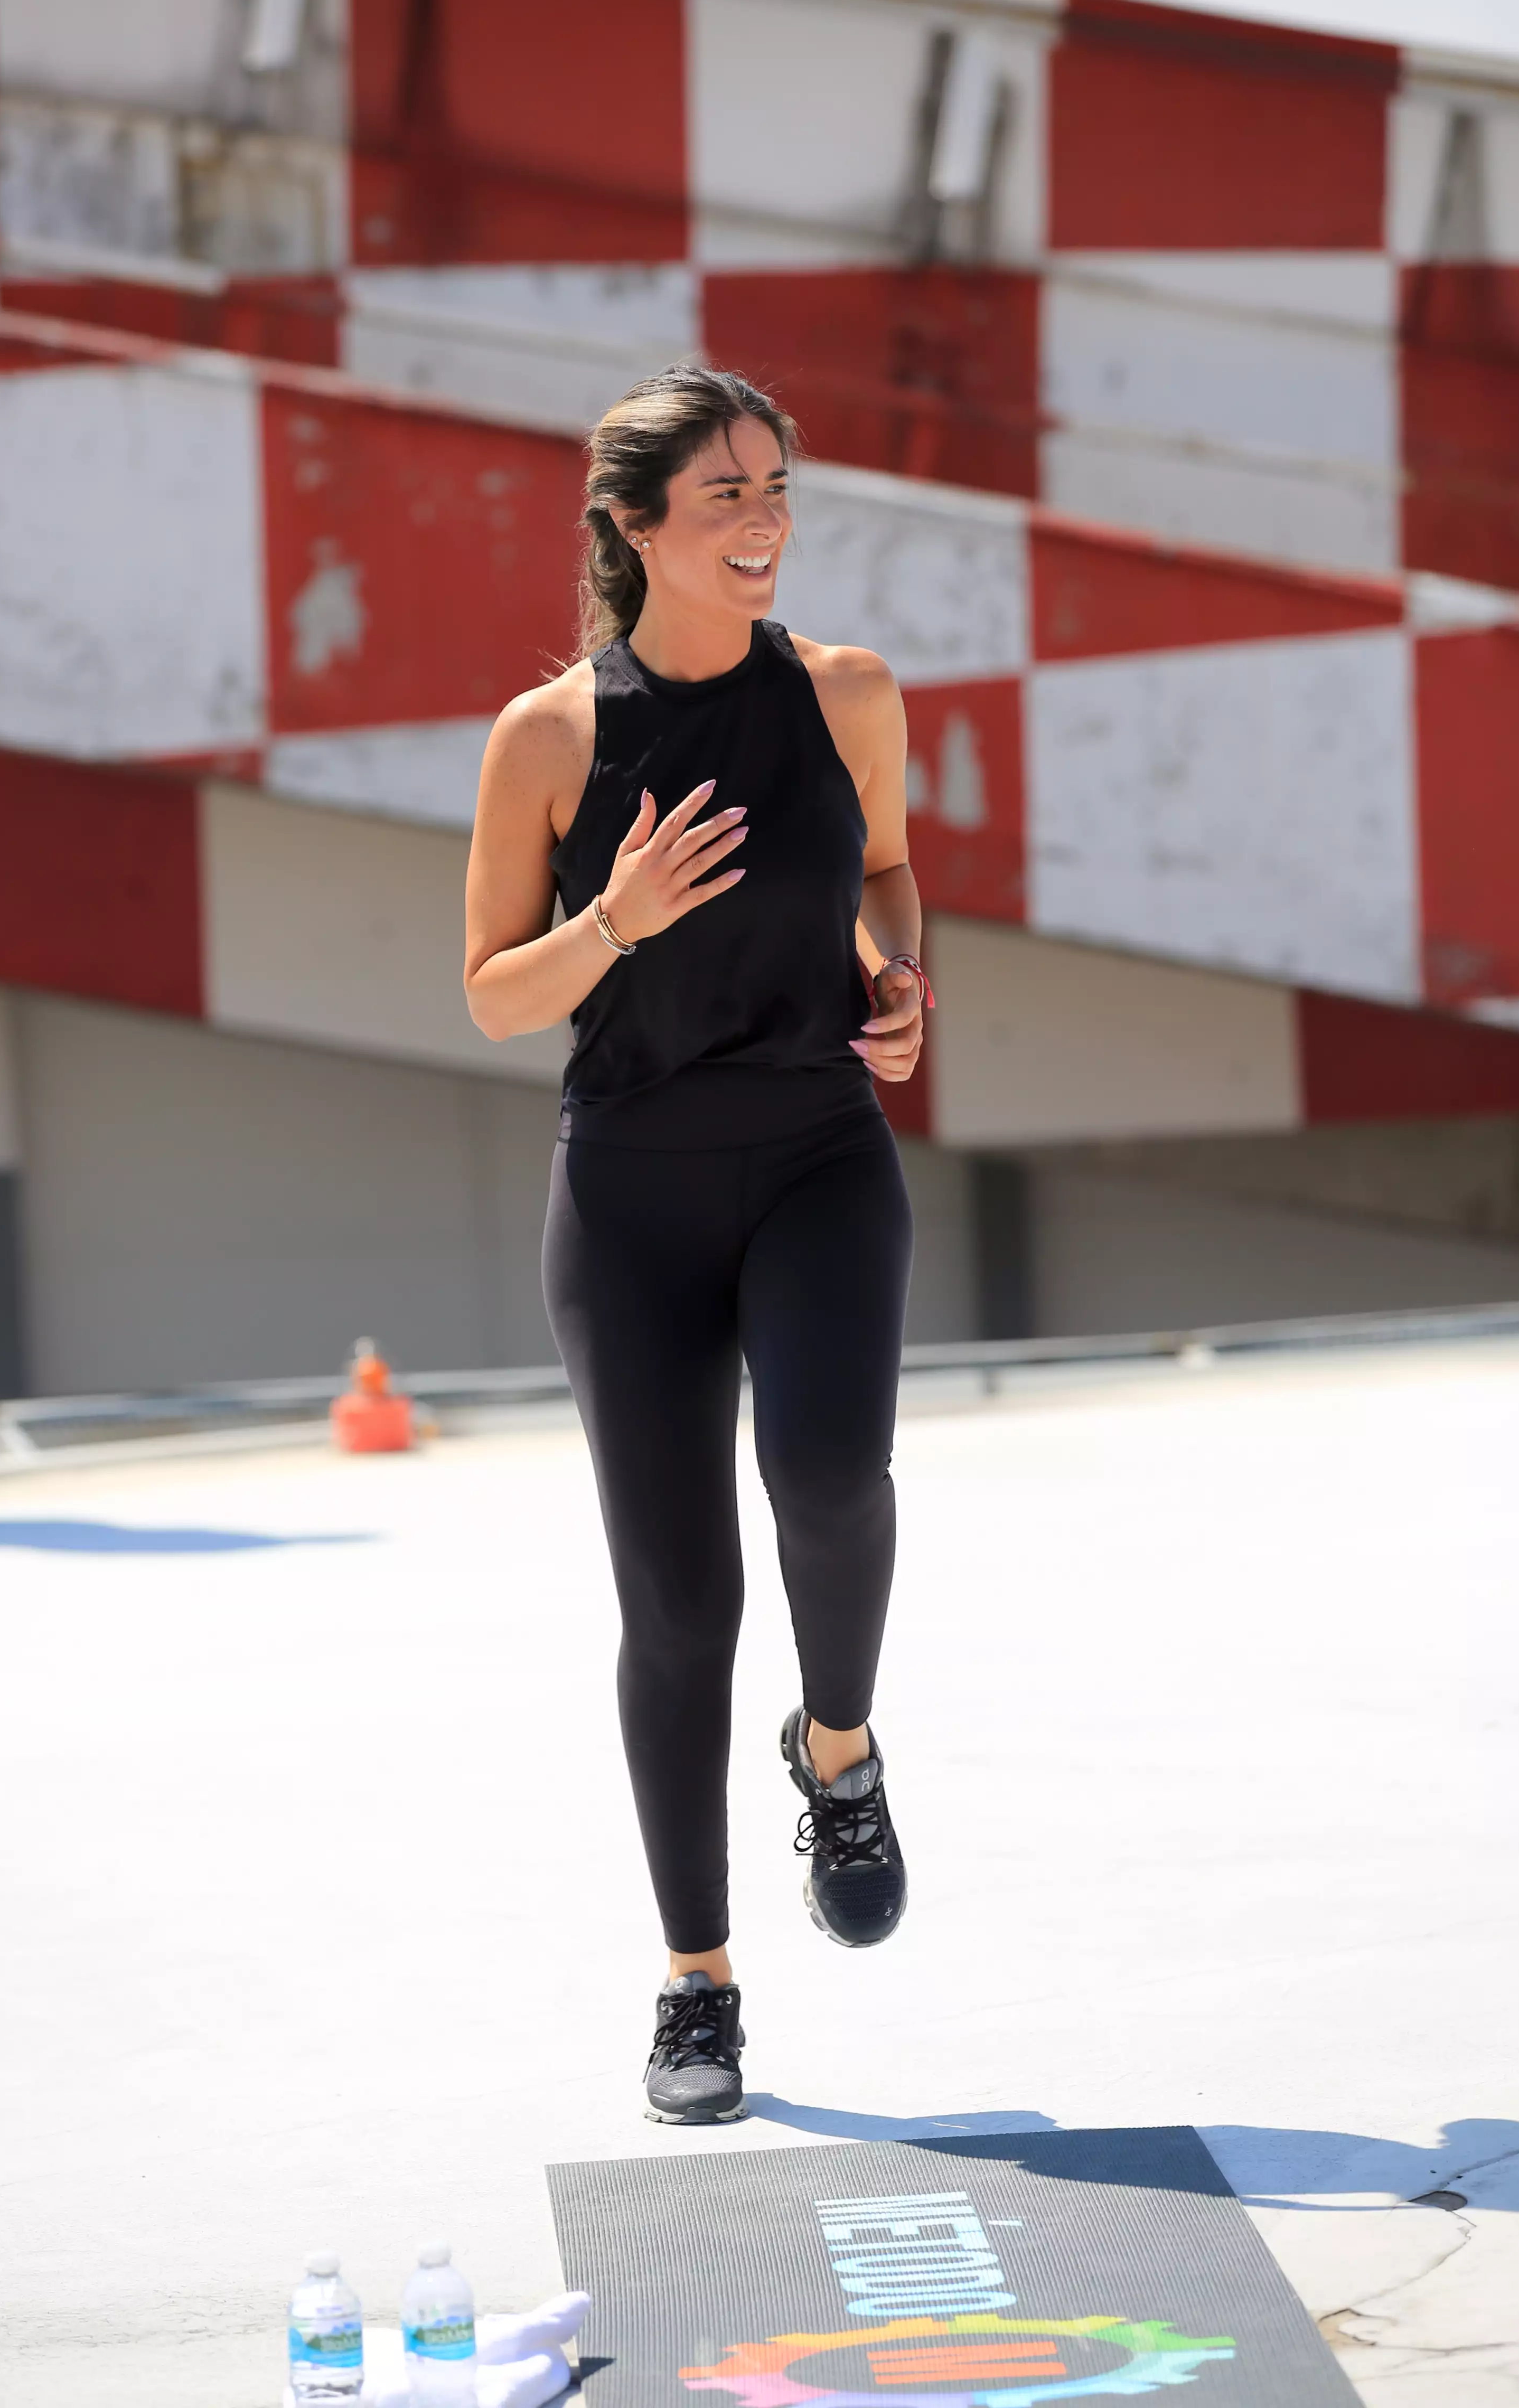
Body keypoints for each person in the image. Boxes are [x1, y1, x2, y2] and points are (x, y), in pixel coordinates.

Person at [464, 366, 926, 2122]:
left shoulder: (850, 695)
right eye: (726, 493)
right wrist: (615, 918)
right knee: (677, 1602)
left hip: (819, 1155)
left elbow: (884, 875)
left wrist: (890, 980)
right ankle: (699, 1984)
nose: (765, 521)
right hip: (633, 1198)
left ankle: (840, 1754)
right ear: (636, 523)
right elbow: (497, 993)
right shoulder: (551, 738)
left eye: (779, 488)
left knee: (830, 1479)